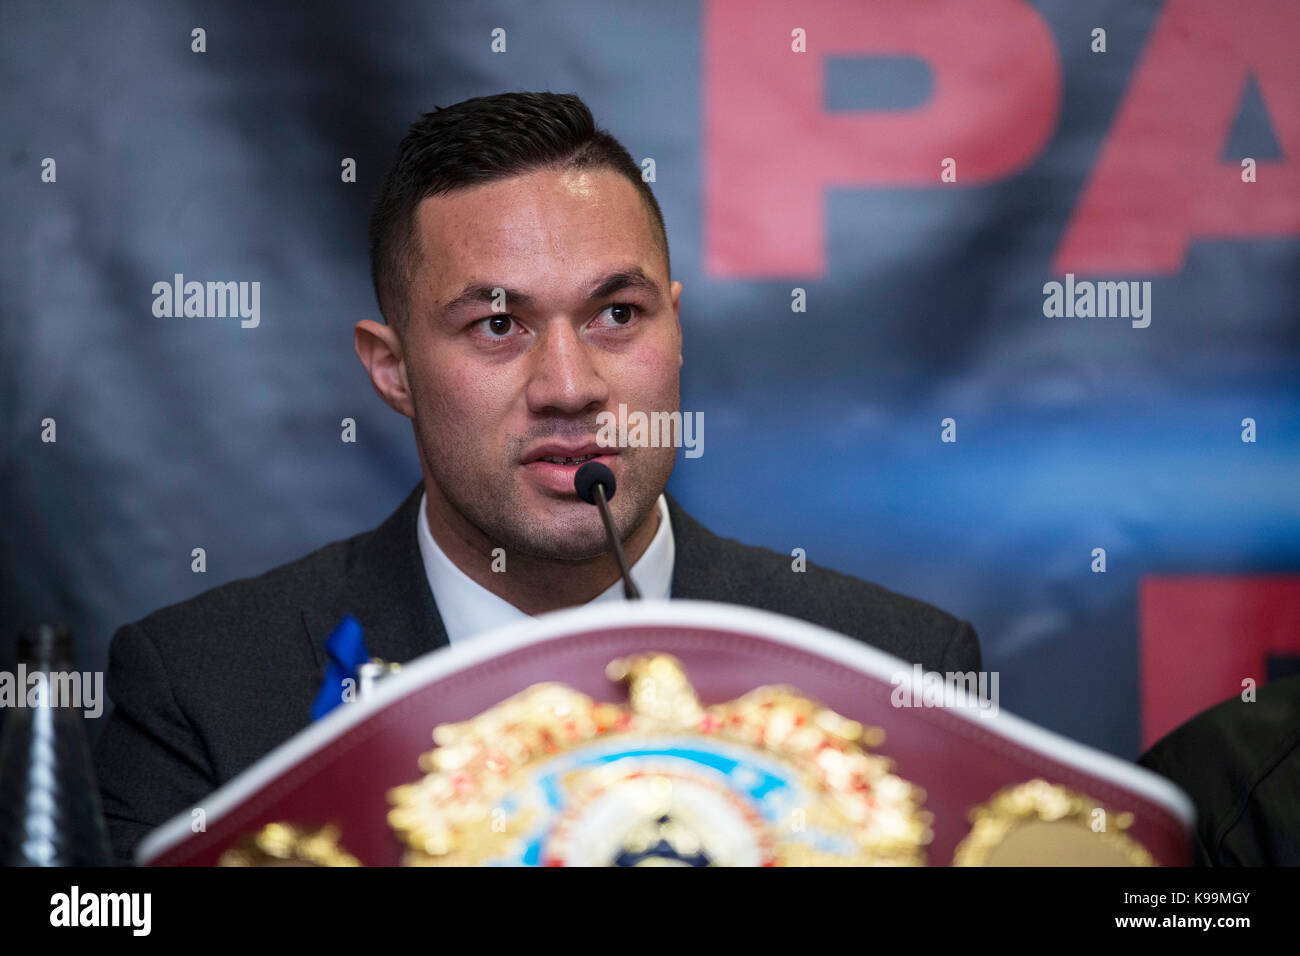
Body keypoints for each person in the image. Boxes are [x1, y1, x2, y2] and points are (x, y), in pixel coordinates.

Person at [92, 91, 981, 865]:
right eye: (496, 326)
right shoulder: (203, 692)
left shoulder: (895, 670)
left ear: (676, 332)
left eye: (617, 315)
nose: (570, 388)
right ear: (392, 369)